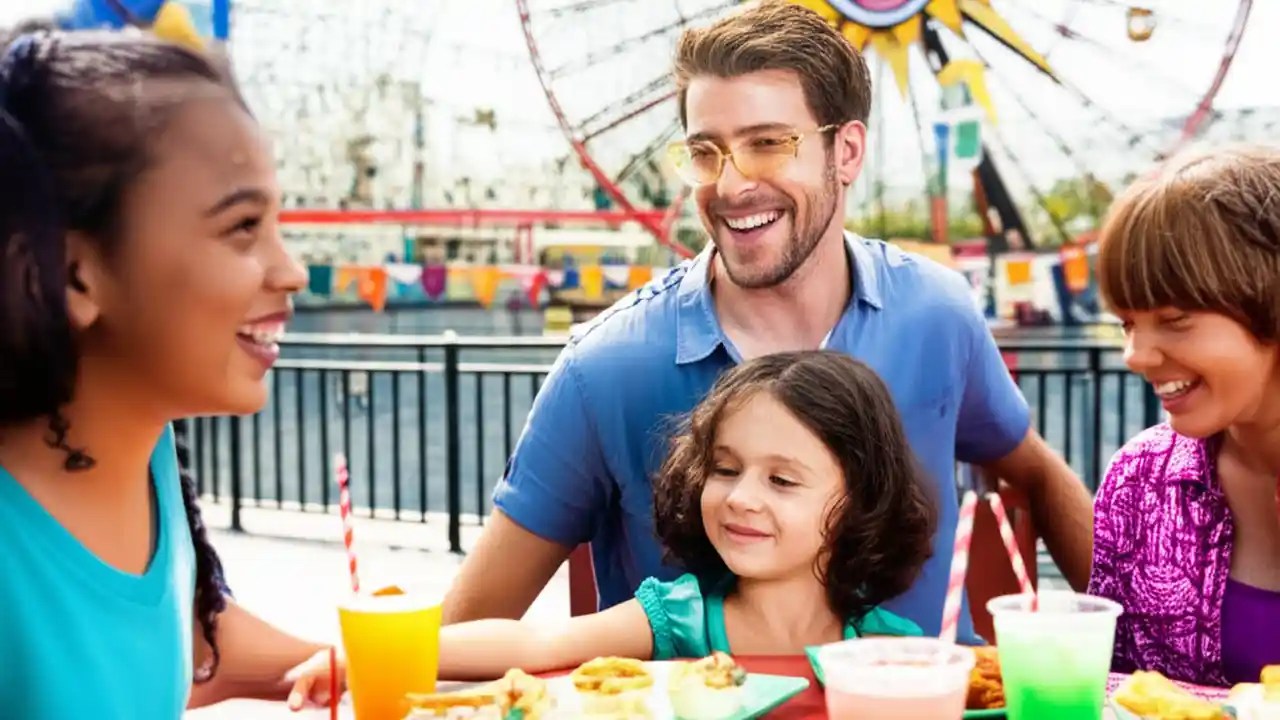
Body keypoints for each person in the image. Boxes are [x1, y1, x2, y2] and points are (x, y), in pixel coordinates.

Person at [443, 0, 1092, 643]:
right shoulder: (604, 369)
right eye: (706, 153)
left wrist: (1135, 659)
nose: (731, 185)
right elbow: (466, 634)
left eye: (768, 145)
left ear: (847, 152)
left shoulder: (938, 315)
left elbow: (1033, 471)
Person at [0, 31, 339, 716]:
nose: (292, 270)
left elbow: (195, 650)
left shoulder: (142, 452)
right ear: (76, 274)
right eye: (243, 226)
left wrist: (521, 651)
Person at [435, 351, 934, 679]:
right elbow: (539, 643)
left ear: (860, 501)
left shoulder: (888, 646)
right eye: (725, 469)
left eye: (781, 481)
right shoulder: (677, 617)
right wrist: (382, 652)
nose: (740, 497)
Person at [1087, 144, 1280, 687]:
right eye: (1126, 324)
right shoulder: (1138, 480)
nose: (1136, 356)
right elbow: (1113, 689)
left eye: (1174, 320)